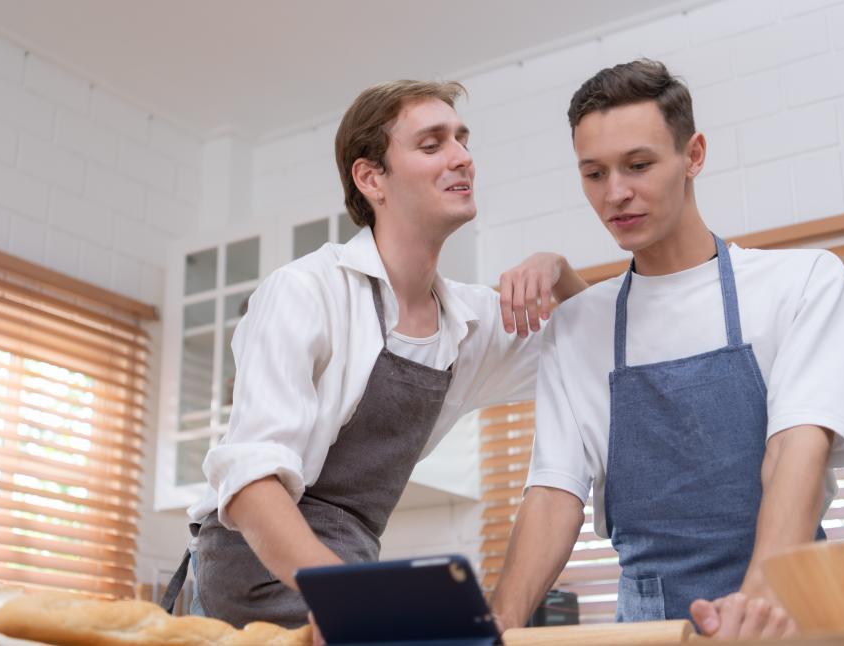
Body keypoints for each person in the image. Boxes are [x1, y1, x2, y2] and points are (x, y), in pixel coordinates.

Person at [159, 80, 588, 630]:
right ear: (371, 178)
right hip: (258, 575)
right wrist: (348, 600)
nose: (462, 158)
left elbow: (600, 347)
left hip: (348, 567)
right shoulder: (305, 291)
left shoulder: (471, 324)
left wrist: (558, 268)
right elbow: (249, 485)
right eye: (432, 145)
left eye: (462, 140)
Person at [491, 60, 844, 640]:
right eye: (594, 173)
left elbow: (795, 450)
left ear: (693, 155)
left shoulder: (801, 283)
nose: (616, 194)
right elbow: (554, 491)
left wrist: (757, 600)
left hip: (780, 619)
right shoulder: (578, 326)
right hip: (650, 631)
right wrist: (500, 622)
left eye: (639, 165)